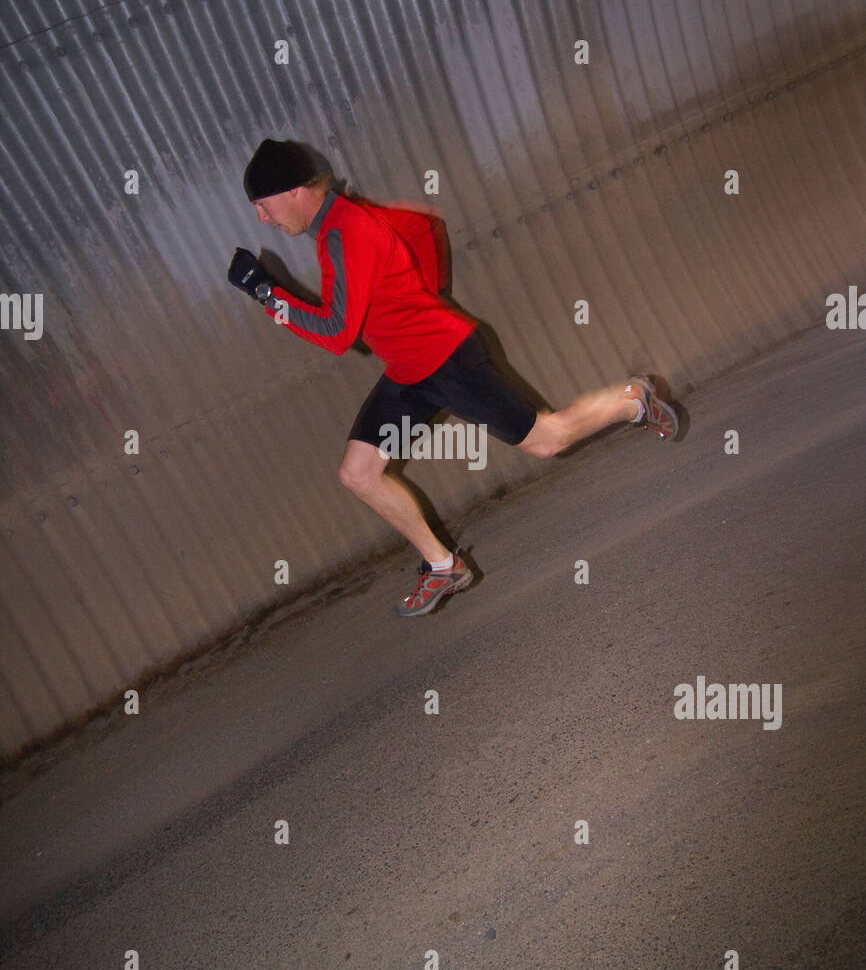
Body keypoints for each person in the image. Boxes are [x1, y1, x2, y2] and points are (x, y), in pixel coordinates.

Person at [228, 139, 679, 617]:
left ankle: (635, 398)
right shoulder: (340, 221)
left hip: (447, 362)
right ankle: (443, 566)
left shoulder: (344, 231)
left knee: (549, 440)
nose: (263, 219)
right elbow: (424, 226)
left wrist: (264, 291)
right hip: (409, 371)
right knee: (358, 474)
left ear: (293, 190)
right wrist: (422, 296)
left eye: (262, 205)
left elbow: (337, 333)